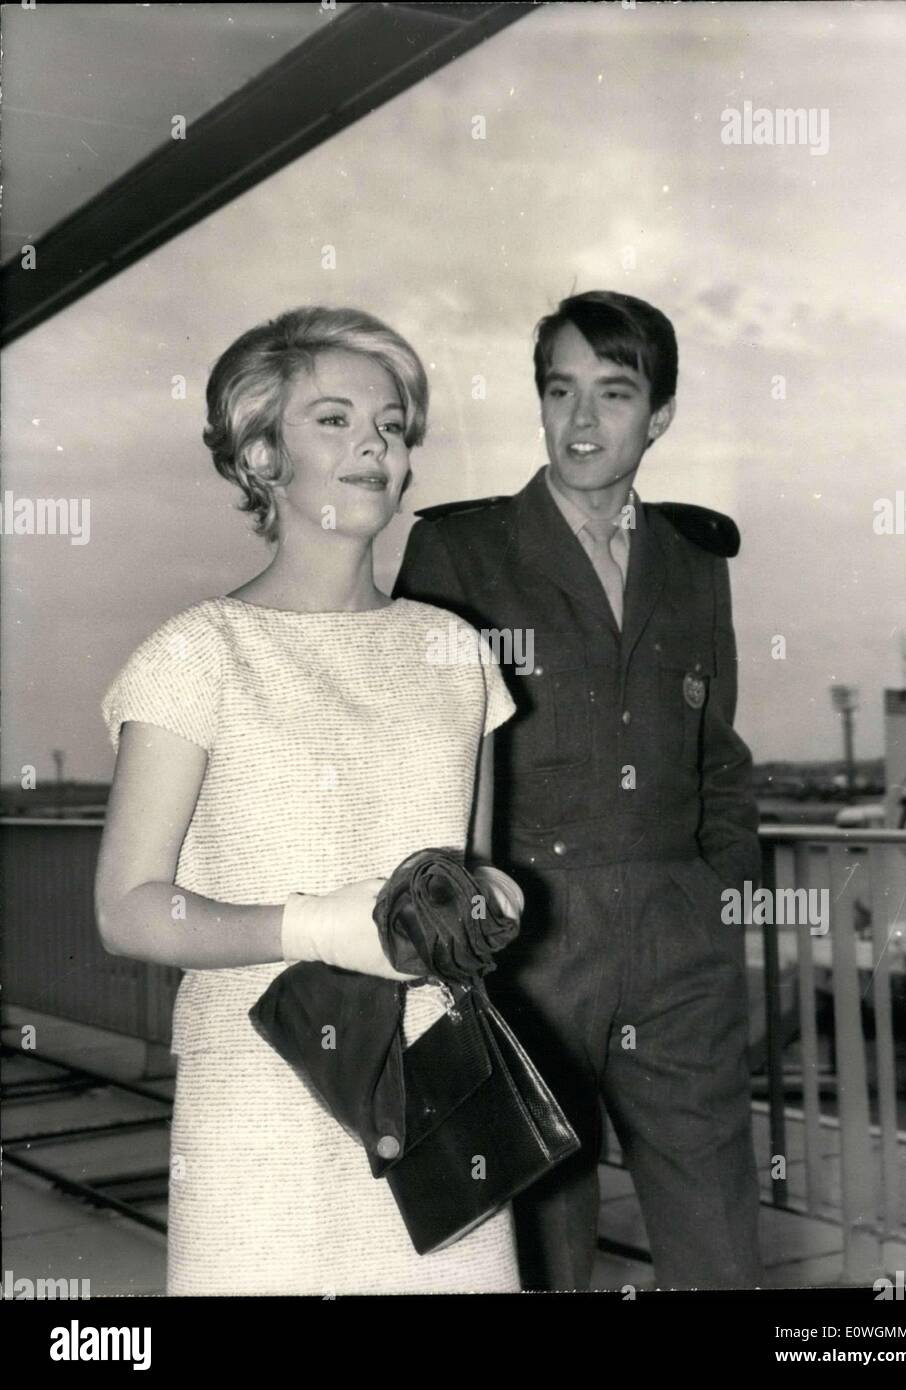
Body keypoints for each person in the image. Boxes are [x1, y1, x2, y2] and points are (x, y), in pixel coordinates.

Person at [95, 306, 523, 1295]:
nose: (372, 442)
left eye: (389, 423)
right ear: (260, 456)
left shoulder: (456, 654)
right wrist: (317, 924)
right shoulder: (195, 655)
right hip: (259, 1098)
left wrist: (497, 904)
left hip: (434, 1094)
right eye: (332, 419)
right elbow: (126, 907)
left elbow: (479, 873)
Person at [393, 289, 762, 1291]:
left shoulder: (696, 560)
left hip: (680, 943)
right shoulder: (460, 551)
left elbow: (717, 757)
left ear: (661, 416)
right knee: (541, 1247)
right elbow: (419, 756)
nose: (583, 421)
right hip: (530, 942)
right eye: (562, 392)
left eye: (613, 393)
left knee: (720, 1240)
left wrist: (719, 901)